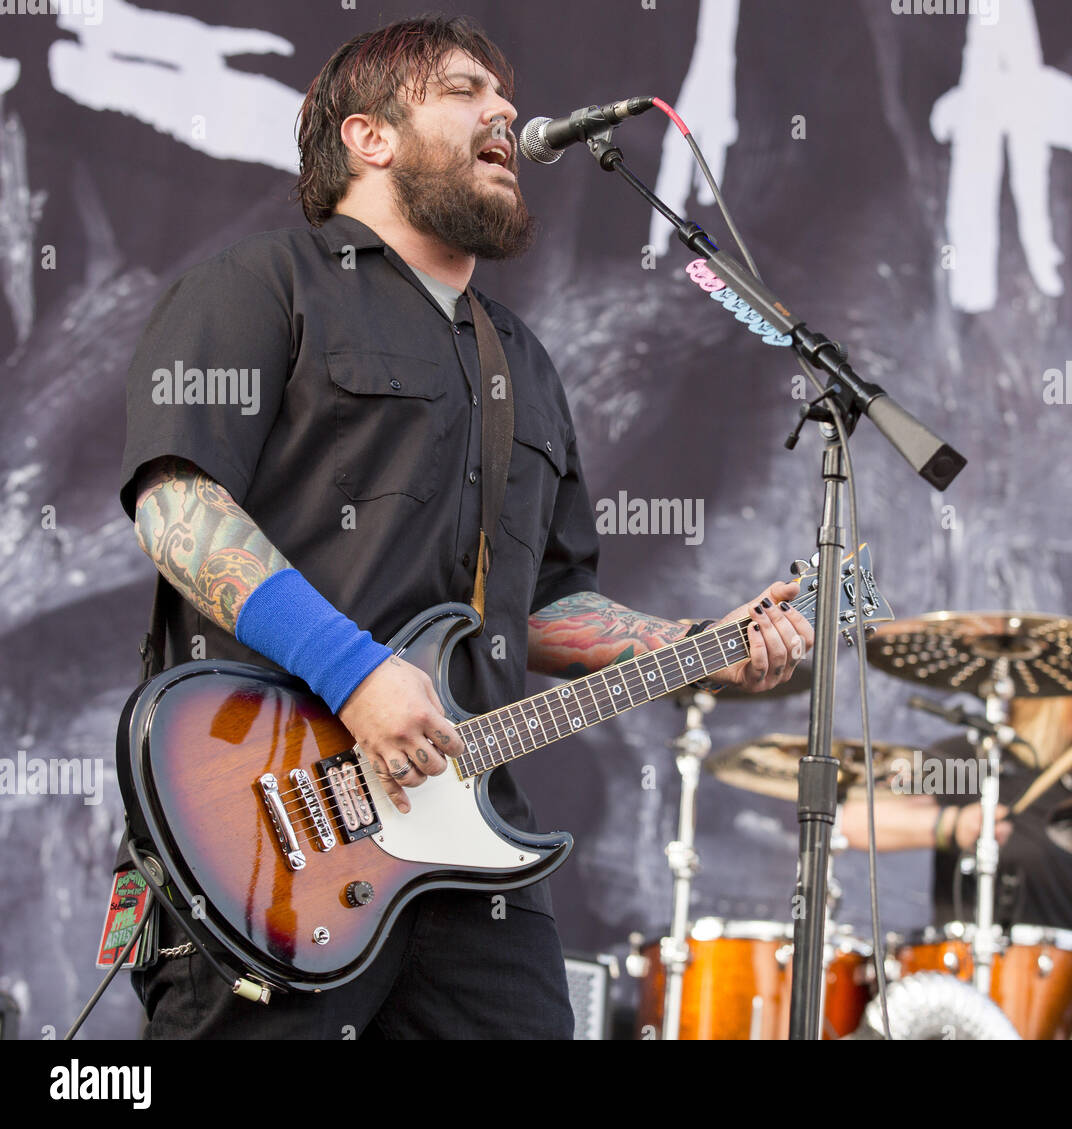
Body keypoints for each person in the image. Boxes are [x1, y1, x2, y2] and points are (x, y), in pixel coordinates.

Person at [119, 14, 813, 1039]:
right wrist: (353, 672)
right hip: (273, 832)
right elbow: (176, 509)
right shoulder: (262, 284)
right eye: (464, 90)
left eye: (507, 97)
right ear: (370, 138)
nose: (505, 112)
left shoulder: (522, 361)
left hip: (468, 848)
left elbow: (536, 607)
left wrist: (702, 650)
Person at [843, 680, 1072, 935]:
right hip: (983, 986)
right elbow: (855, 820)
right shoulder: (976, 762)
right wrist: (950, 826)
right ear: (1058, 699)